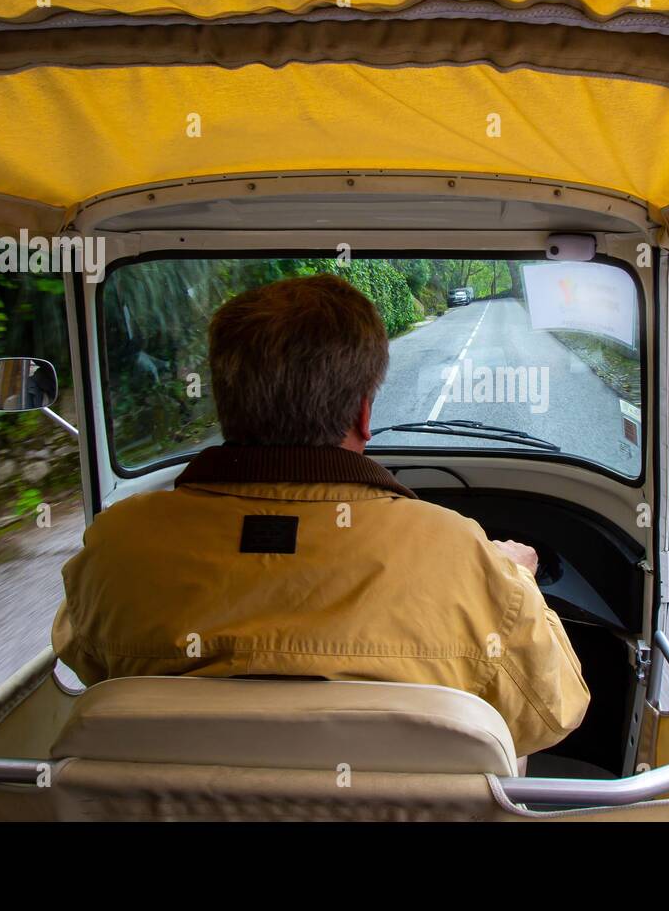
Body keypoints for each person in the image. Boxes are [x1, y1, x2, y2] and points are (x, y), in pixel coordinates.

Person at [53, 274, 589, 757]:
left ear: (225, 404)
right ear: (363, 413)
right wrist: (514, 579)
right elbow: (554, 712)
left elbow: (86, 657)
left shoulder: (117, 548)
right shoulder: (462, 556)